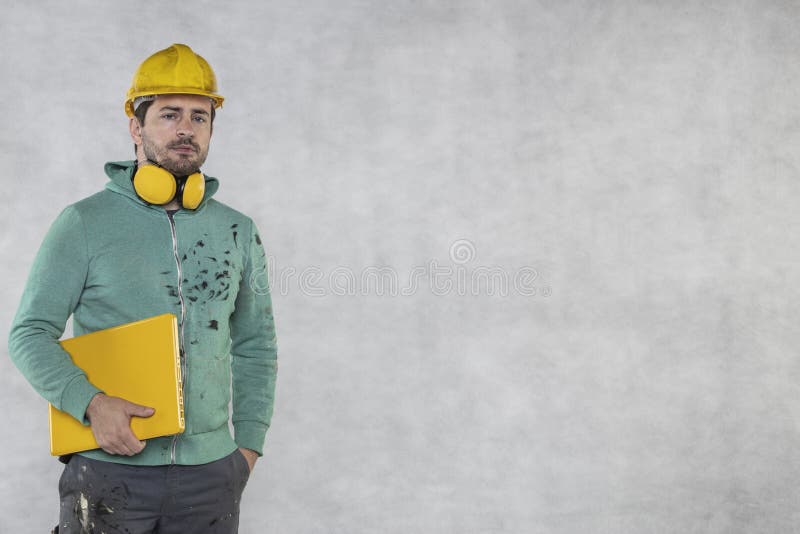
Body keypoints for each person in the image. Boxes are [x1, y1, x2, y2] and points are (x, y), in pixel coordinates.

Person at [7, 43, 278, 533]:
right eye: (169, 114)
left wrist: (248, 449)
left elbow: (256, 343)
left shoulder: (238, 229)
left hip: (213, 475)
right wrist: (90, 403)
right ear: (136, 126)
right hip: (109, 471)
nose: (185, 129)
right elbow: (28, 333)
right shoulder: (83, 222)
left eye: (200, 117)